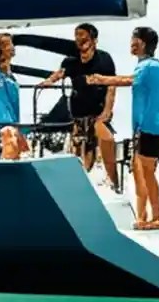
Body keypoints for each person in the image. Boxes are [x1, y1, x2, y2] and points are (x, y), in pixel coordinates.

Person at [86, 26, 159, 230]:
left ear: (142, 43)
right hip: (145, 129)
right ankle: (143, 217)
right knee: (138, 171)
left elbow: (128, 81)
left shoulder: (150, 66)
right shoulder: (146, 65)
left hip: (153, 128)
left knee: (146, 172)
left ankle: (157, 217)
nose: (131, 44)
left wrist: (101, 79)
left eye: (134, 40)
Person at [38, 23, 118, 188]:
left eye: (83, 36)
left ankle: (111, 181)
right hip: (77, 113)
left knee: (97, 145)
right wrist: (48, 82)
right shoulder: (71, 60)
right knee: (77, 151)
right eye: (76, 36)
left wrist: (107, 110)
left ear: (94, 40)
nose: (79, 39)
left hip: (97, 112)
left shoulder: (104, 59)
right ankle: (77, 184)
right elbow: (60, 73)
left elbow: (112, 86)